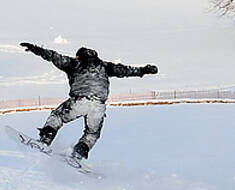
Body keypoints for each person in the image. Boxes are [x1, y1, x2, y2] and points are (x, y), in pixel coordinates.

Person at [20, 42, 159, 161]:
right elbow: (126, 70)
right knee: (92, 133)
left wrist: (35, 49)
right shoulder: (104, 66)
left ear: (79, 57)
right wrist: (144, 70)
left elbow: (53, 56)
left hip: (80, 101)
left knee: (57, 116)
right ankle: (79, 153)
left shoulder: (74, 63)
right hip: (99, 106)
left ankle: (45, 139)